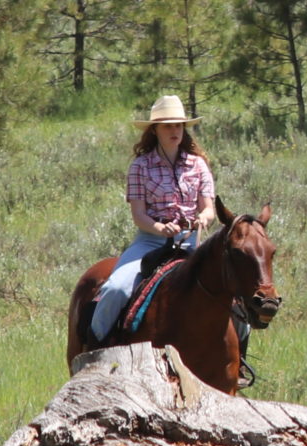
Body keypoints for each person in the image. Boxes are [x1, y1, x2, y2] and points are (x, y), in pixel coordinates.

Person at [89, 95, 217, 343]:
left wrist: (203, 218)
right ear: (154, 130)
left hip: (192, 243)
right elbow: (138, 215)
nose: (174, 130)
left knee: (233, 294)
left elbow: (209, 208)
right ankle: (95, 348)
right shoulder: (140, 166)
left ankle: (236, 361)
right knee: (116, 289)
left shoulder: (198, 165)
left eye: (178, 125)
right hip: (150, 243)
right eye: (168, 125)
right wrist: (159, 227)